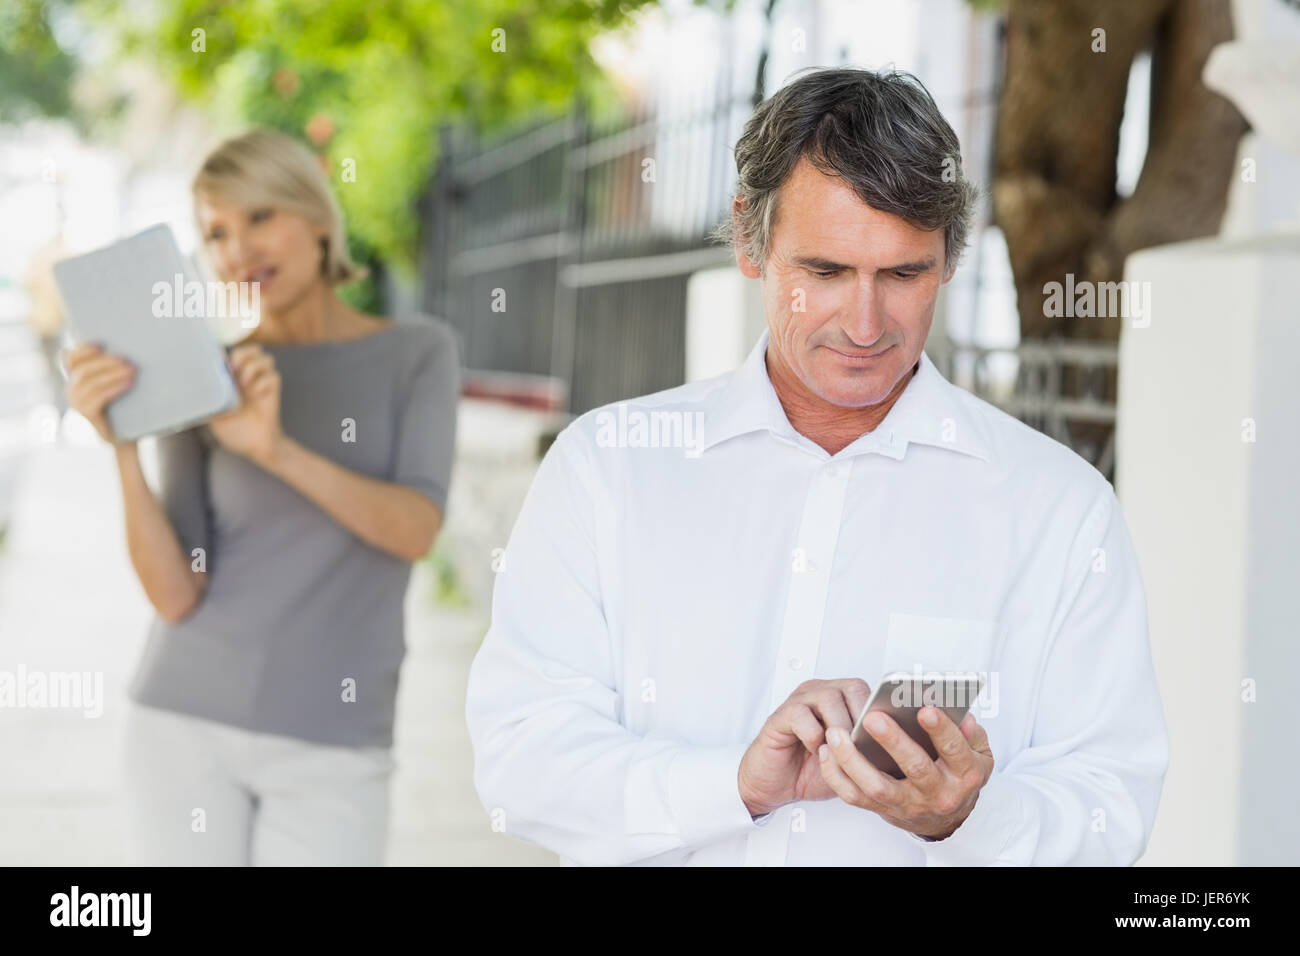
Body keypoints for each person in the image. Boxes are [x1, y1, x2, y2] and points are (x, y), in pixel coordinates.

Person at [465, 68, 1169, 866]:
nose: (865, 324)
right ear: (748, 240)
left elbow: (1112, 801)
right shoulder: (609, 470)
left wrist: (967, 819)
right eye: (826, 273)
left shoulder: (1058, 507)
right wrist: (735, 785)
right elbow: (520, 757)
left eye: (904, 274)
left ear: (949, 260)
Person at [62, 128, 460, 866]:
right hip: (183, 726)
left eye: (259, 216)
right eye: (216, 231)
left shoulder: (416, 353)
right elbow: (177, 596)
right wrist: (120, 442)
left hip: (335, 743)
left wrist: (272, 449)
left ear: (315, 218)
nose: (239, 248)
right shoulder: (203, 376)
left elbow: (414, 530)